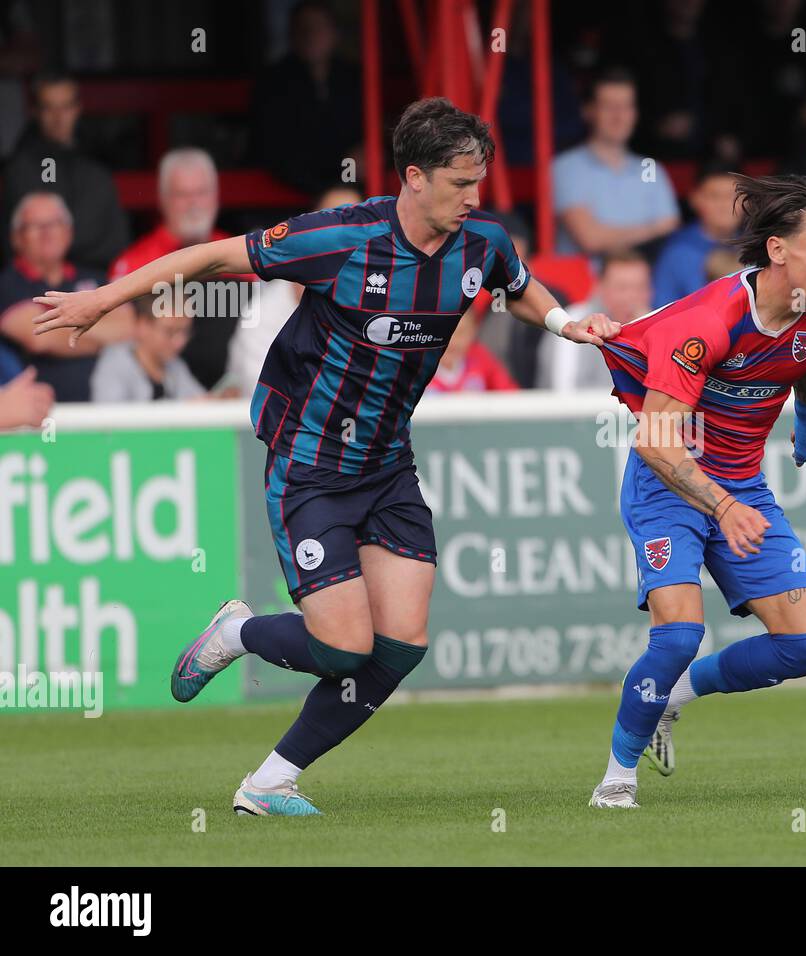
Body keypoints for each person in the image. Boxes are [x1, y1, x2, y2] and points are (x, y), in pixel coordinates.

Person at [32, 97, 617, 817]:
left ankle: (270, 781)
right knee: (344, 649)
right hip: (308, 463)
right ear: (413, 177)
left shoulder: (482, 243)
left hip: (387, 464)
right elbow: (214, 256)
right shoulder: (341, 238)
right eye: (461, 183)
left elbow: (517, 287)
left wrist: (564, 321)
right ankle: (237, 632)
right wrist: (102, 301)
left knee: (400, 644)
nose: (475, 197)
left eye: (479, 182)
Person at [587, 174, 806, 809]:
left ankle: (676, 697)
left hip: (742, 486)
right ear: (779, 252)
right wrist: (724, 506)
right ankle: (616, 783)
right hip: (665, 486)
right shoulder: (706, 323)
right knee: (678, 637)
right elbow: (655, 443)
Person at [109, 146, 245, 390]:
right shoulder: (136, 261)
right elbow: (119, 333)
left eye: (201, 192)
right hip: (158, 397)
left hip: (235, 396)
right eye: (182, 194)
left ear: (215, 197)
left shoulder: (240, 253)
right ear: (163, 199)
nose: (193, 203)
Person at [225, 185, 364, 397]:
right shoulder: (263, 313)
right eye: (334, 227)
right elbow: (268, 400)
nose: (343, 241)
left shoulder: (379, 296)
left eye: (355, 228)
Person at [0, 192, 133, 402]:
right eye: (35, 225)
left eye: (54, 223)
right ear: (16, 238)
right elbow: (41, 338)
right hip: (40, 415)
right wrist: (101, 328)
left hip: (108, 409)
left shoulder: (94, 278)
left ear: (69, 232)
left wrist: (62, 330)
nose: (47, 233)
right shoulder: (8, 285)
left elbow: (129, 326)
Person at [2, 73, 130, 271]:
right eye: (49, 108)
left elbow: (115, 240)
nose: (58, 117)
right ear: (35, 112)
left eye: (65, 106)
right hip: (37, 282)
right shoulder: (21, 167)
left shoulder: (97, 162)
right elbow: (22, 243)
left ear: (77, 109)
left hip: (95, 280)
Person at [551, 68, 679, 259]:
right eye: (609, 106)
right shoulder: (566, 167)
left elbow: (670, 228)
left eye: (626, 106)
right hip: (587, 285)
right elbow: (590, 239)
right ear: (588, 111)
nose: (618, 116)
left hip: (641, 284)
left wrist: (611, 235)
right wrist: (653, 229)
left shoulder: (650, 167)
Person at [250, 0, 363, 196]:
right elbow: (278, 150)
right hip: (290, 186)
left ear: (334, 34)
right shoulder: (274, 82)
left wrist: (365, 154)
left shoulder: (353, 79)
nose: (310, 35)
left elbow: (364, 136)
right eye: (302, 29)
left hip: (348, 182)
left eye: (318, 28)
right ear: (291, 35)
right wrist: (339, 163)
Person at [539, 250, 652, 391]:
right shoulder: (572, 324)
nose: (632, 298)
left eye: (640, 288)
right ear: (599, 287)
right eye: (622, 288)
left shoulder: (659, 332)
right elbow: (565, 394)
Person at [651, 164, 739, 308]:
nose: (725, 205)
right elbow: (661, 313)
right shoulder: (677, 253)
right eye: (715, 197)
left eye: (733, 197)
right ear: (695, 199)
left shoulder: (761, 247)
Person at [90, 298, 205, 402]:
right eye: (169, 331)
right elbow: (110, 419)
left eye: (185, 332)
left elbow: (202, 401)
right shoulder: (114, 363)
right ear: (143, 325)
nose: (179, 342)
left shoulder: (175, 366)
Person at [425, 312, 518, 393]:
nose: (452, 342)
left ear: (473, 331)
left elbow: (511, 396)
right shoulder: (417, 366)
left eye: (460, 333)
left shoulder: (481, 359)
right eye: (443, 333)